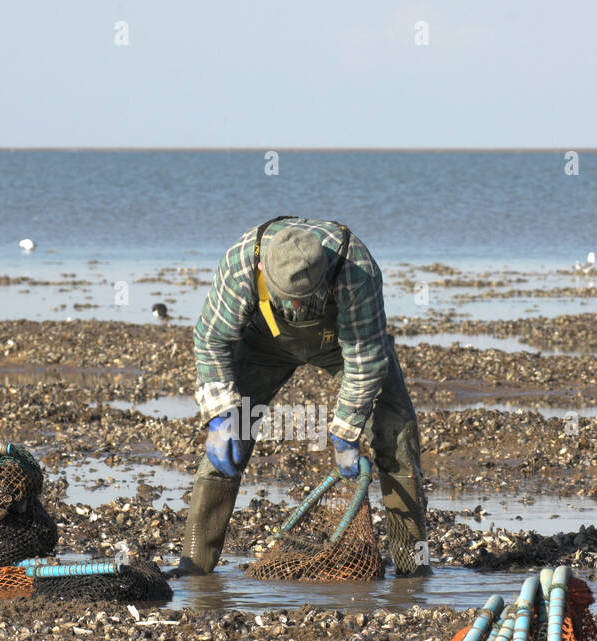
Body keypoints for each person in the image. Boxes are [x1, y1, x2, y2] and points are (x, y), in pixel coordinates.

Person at [175, 215, 430, 576]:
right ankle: (194, 567)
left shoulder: (355, 270)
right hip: (266, 342)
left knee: (397, 432)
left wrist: (345, 431)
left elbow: (364, 361)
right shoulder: (241, 263)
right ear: (263, 269)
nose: (295, 307)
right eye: (286, 298)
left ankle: (415, 569)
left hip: (342, 346)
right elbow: (211, 339)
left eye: (304, 298)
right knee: (229, 443)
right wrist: (220, 413)